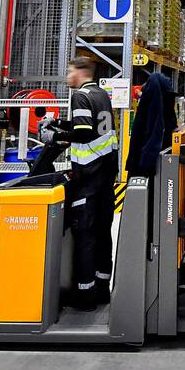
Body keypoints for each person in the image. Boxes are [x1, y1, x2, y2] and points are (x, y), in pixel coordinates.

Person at [41, 56, 119, 311]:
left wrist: (56, 136)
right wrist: (60, 124)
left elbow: (84, 133)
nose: (67, 76)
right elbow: (92, 127)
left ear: (81, 71)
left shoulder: (80, 96)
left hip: (88, 176)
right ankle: (101, 289)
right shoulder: (102, 95)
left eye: (70, 70)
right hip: (106, 175)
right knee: (102, 232)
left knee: (84, 234)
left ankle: (85, 295)